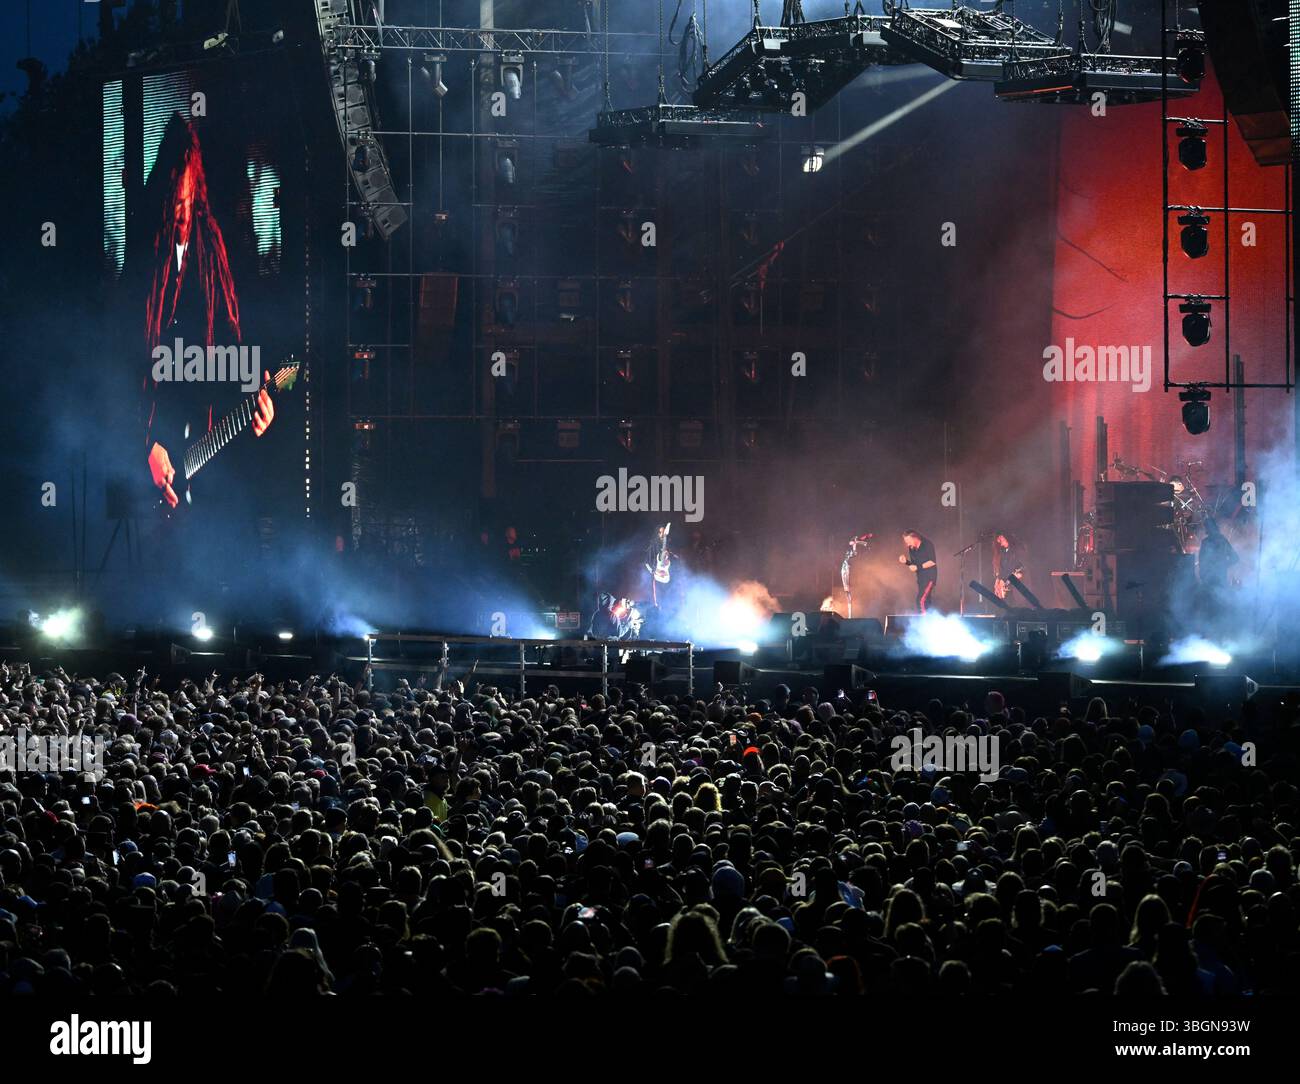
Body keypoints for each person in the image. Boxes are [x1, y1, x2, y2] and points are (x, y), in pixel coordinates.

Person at [899, 530, 938, 613]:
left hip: (929, 577)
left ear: (915, 538)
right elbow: (914, 565)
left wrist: (918, 567)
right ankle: (930, 620)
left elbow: (932, 561)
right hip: (921, 579)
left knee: (921, 600)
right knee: (926, 602)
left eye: (908, 541)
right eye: (906, 542)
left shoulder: (927, 544)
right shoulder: (911, 548)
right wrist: (906, 562)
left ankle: (923, 623)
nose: (907, 544)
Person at [992, 531, 1028, 601]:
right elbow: (1003, 568)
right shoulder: (1003, 551)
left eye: (1000, 537)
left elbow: (1016, 566)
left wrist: (1003, 580)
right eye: (998, 538)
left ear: (1006, 536)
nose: (999, 540)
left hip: (1019, 586)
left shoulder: (1017, 549)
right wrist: (998, 580)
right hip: (1010, 587)